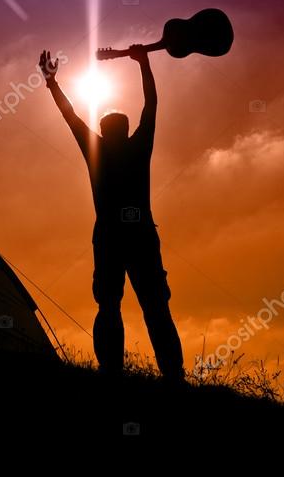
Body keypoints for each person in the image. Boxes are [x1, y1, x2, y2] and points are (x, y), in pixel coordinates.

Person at [39, 47, 184, 380]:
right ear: (127, 129)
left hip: (109, 236)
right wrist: (143, 64)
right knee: (155, 307)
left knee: (109, 305)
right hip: (140, 234)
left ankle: (111, 373)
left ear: (104, 131)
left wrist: (51, 82)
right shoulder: (138, 147)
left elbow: (70, 115)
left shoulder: (98, 151)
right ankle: (173, 376)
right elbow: (152, 105)